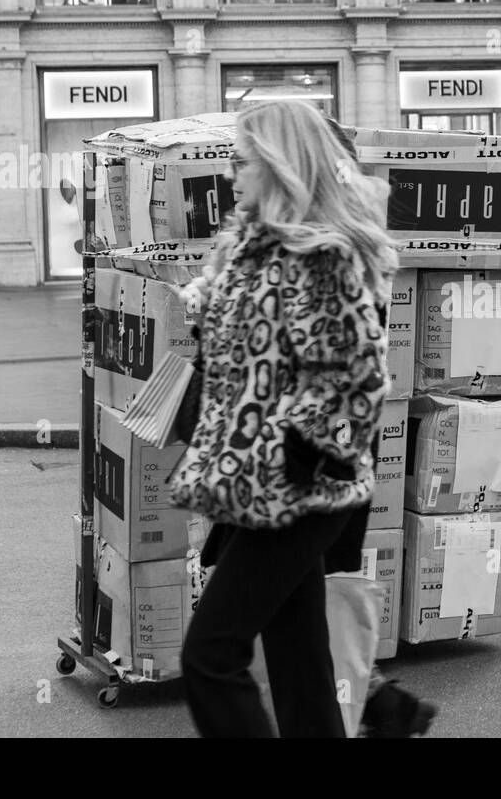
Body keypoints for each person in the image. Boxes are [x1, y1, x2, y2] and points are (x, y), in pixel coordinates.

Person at [169, 100, 395, 737]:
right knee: (300, 666)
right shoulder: (250, 249)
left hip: (300, 489)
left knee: (210, 654)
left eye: (241, 162)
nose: (231, 174)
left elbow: (358, 371)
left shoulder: (321, 255)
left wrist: (302, 448)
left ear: (278, 165)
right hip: (258, 483)